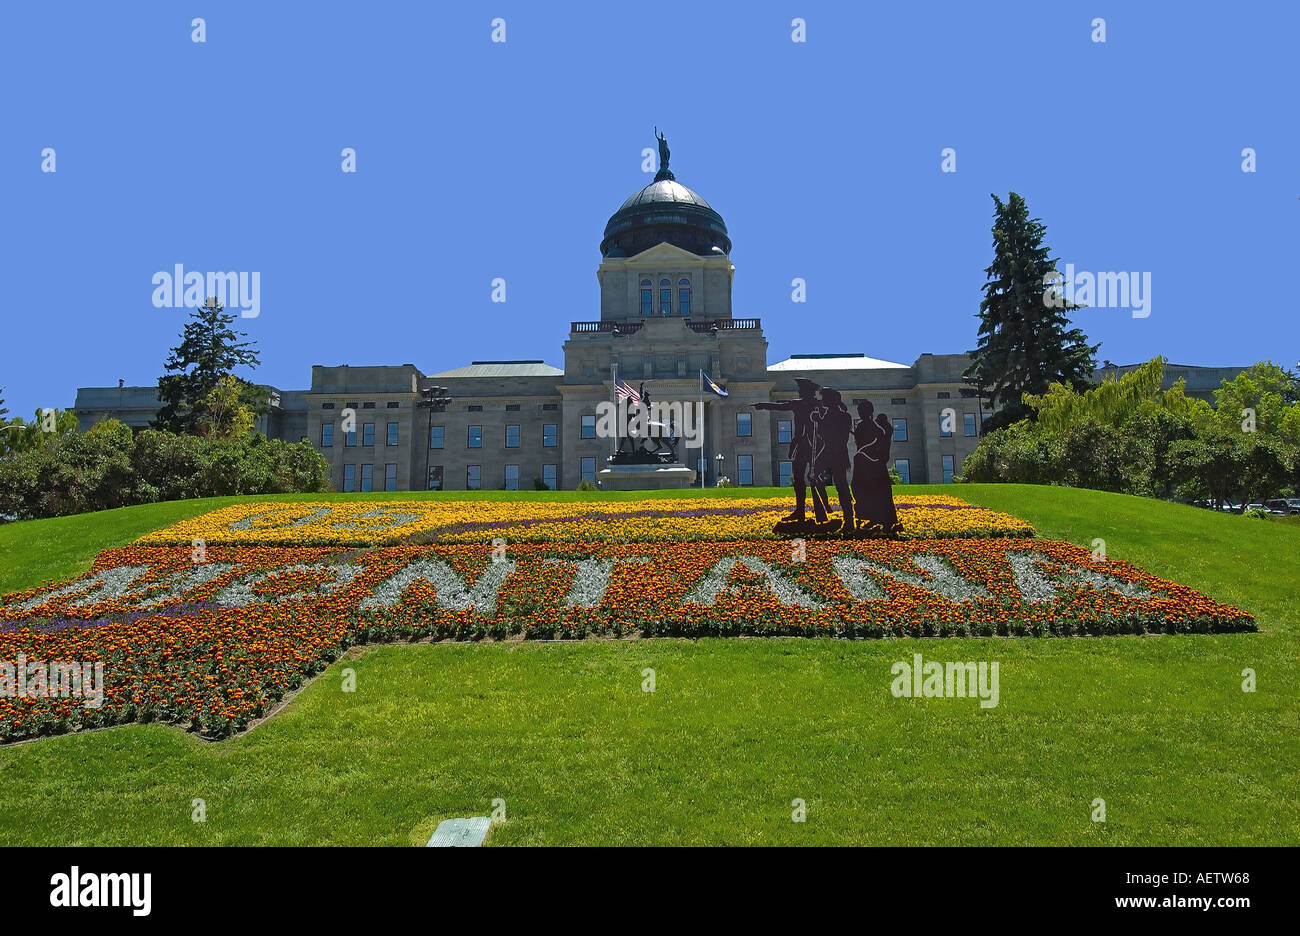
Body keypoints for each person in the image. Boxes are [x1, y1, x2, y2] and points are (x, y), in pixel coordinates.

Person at [755, 379, 822, 522]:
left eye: (800, 390)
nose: (798, 392)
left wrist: (762, 405)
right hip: (814, 445)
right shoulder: (818, 405)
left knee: (801, 478)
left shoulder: (800, 404)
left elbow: (779, 407)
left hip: (806, 444)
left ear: (804, 391)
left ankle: (806, 510)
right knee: (806, 477)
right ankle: (805, 511)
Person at [851, 402, 899, 536]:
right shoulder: (867, 426)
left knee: (874, 492)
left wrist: (867, 456)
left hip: (870, 466)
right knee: (865, 492)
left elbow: (878, 447)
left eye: (862, 410)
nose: (861, 413)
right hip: (866, 465)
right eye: (860, 410)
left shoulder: (873, 427)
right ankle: (874, 518)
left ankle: (882, 520)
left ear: (869, 412)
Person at [811, 387, 854, 534]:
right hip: (827, 451)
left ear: (831, 400)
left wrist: (819, 422)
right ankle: (825, 505)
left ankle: (849, 519)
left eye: (824, 398)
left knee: (841, 486)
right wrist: (819, 421)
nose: (822, 401)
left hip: (837, 453)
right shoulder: (828, 415)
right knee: (813, 475)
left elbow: (834, 436)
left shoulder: (844, 416)